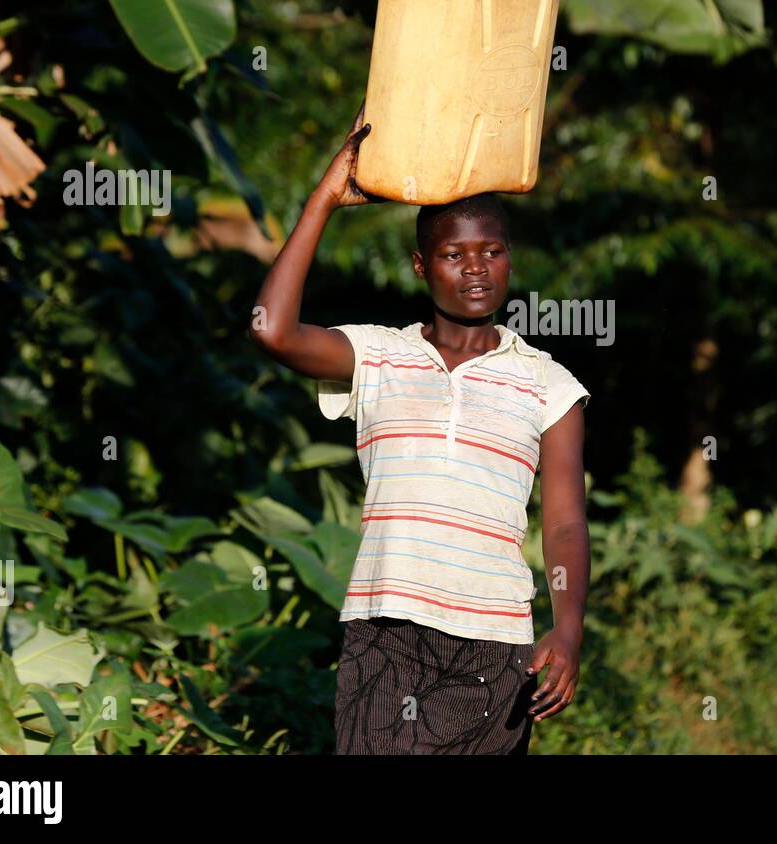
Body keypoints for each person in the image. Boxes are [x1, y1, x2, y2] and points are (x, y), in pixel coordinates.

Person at [249, 103, 592, 754]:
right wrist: (324, 197)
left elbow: (567, 522)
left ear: (509, 262)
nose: (474, 269)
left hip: (496, 641)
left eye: (492, 252)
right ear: (419, 265)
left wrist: (567, 630)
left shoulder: (549, 384)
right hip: (388, 631)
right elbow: (272, 330)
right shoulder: (376, 355)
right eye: (454, 254)